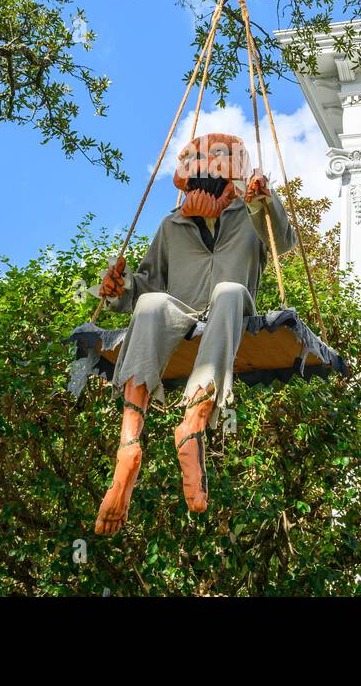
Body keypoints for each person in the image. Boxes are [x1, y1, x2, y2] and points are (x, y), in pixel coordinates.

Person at [93, 132, 295, 535]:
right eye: (198, 180)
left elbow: (283, 242)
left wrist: (264, 200)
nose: (205, 188)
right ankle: (129, 445)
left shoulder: (251, 216)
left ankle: (194, 421)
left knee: (229, 291)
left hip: (231, 311)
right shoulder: (172, 225)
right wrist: (121, 288)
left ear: (232, 182)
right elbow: (148, 285)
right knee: (151, 306)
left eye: (215, 180)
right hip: (180, 314)